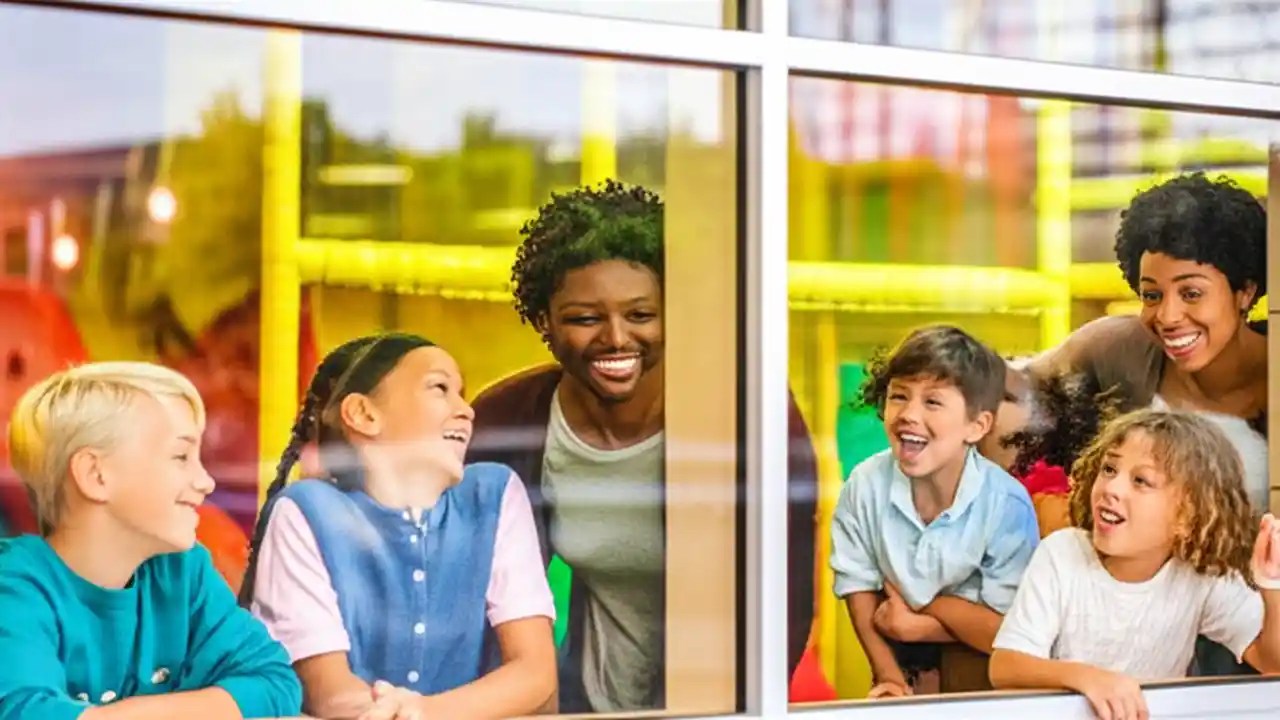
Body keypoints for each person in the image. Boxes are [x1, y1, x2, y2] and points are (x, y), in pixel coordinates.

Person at [467, 179, 819, 712]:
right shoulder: (508, 423)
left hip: (711, 708)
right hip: (579, 704)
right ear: (544, 321)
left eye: (640, 315)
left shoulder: (741, 411)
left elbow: (784, 599)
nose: (615, 337)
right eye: (585, 318)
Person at [241, 333, 557, 719]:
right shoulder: (305, 510)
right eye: (440, 387)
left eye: (462, 392)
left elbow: (535, 674)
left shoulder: (494, 493)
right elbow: (329, 692)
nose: (466, 410)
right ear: (363, 414)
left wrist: (424, 712)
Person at [0, 361, 302, 719]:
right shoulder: (16, 584)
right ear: (96, 475)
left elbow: (275, 681)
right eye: (181, 457)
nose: (205, 481)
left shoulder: (182, 572)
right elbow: (24, 711)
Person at [989, 409, 1280, 719]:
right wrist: (1088, 678)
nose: (1112, 488)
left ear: (1188, 517)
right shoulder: (1062, 554)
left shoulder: (1200, 575)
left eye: (1141, 481)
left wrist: (1271, 586)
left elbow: (1271, 663)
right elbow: (1005, 666)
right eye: (1110, 469)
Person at [1028, 172, 1267, 508]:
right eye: (1152, 295)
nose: (1167, 317)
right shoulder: (1118, 350)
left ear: (1245, 292)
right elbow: (1003, 390)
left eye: (1191, 293)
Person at [832, 325, 1040, 698]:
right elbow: (858, 586)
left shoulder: (1006, 505)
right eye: (899, 396)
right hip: (903, 666)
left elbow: (1007, 631)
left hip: (982, 676)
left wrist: (922, 619)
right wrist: (888, 676)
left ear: (977, 426)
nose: (908, 414)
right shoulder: (864, 485)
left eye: (932, 402)